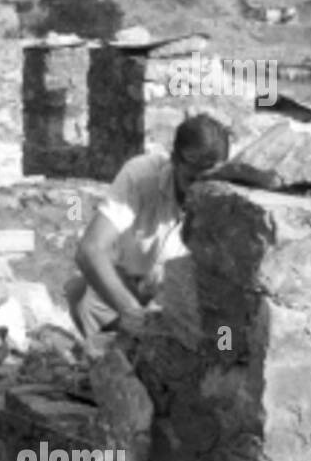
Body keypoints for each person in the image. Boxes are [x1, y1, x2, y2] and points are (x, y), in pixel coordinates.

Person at [66, 113, 230, 342]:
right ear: (174, 160)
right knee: (82, 298)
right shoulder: (140, 176)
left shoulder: (228, 195)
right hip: (124, 290)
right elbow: (89, 250)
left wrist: (224, 341)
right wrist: (132, 312)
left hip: (179, 300)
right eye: (190, 180)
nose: (198, 191)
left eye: (208, 182)